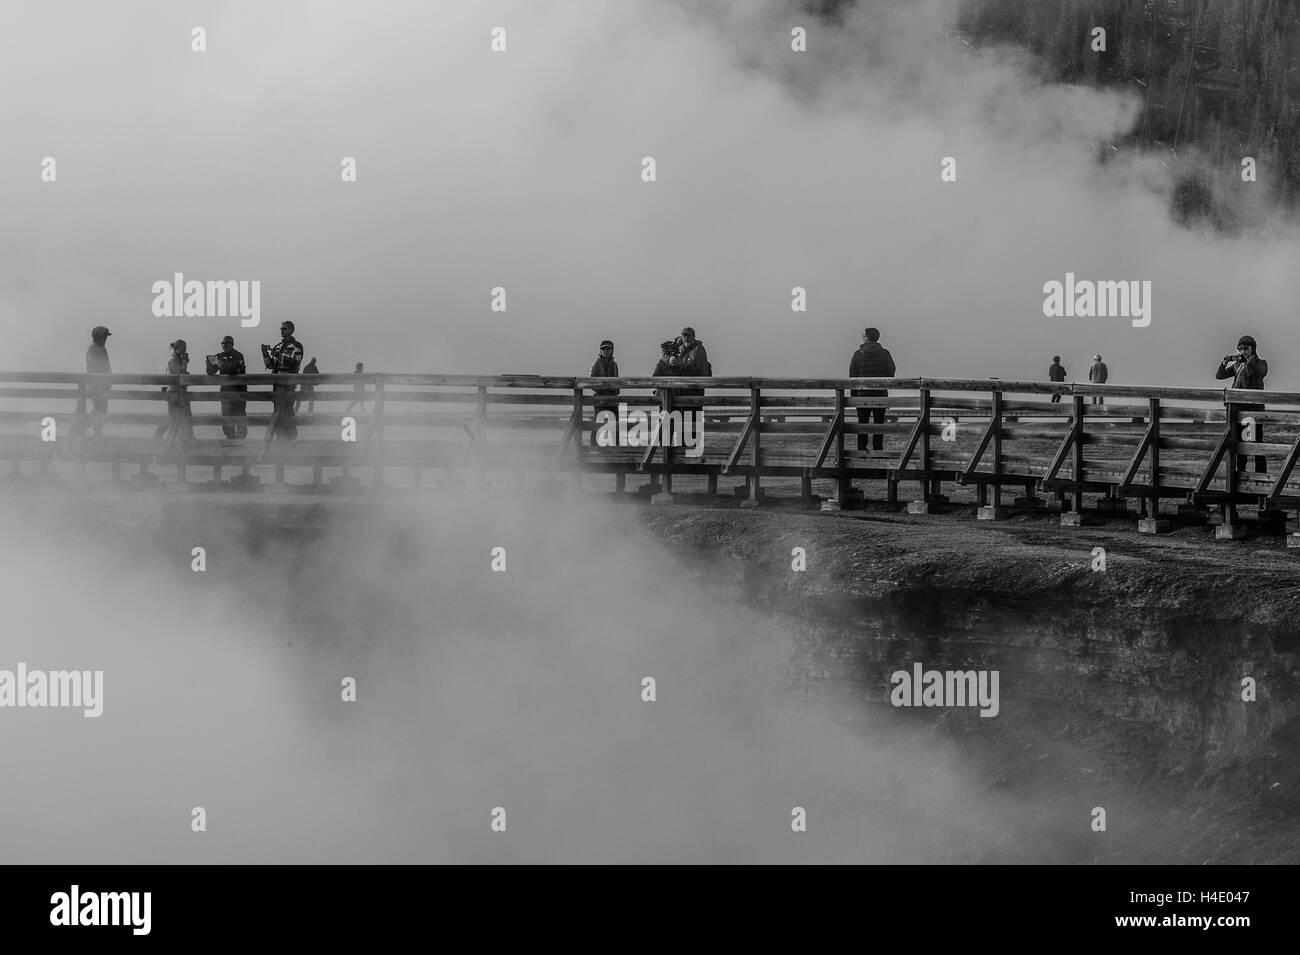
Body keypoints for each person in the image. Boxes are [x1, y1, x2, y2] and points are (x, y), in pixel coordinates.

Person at [1216, 334, 1268, 473]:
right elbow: (1219, 376)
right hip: (1240, 409)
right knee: (1241, 441)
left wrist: (1248, 361)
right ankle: (1241, 472)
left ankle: (1261, 473)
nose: (1242, 351)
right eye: (1240, 348)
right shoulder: (1237, 366)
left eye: (1245, 348)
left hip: (1255, 410)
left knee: (1257, 441)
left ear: (1253, 349)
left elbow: (1262, 371)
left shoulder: (1260, 363)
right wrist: (1224, 362)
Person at [849, 327, 896, 451]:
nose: (862, 337)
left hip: (862, 395)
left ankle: (861, 449)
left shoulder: (857, 354)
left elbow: (852, 376)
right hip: (880, 395)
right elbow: (891, 372)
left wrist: (853, 397)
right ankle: (877, 449)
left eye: (863, 336)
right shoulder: (885, 353)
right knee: (879, 424)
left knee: (862, 424)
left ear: (867, 338)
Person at [262, 320, 304, 441]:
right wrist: (265, 354)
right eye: (281, 328)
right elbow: (270, 365)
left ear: (291, 330)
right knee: (277, 411)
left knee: (288, 410)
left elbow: (295, 364)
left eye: (284, 328)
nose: (282, 330)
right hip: (277, 384)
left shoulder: (297, 346)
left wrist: (278, 355)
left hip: (290, 383)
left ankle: (291, 439)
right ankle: (280, 439)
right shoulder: (277, 346)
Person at [205, 335, 247, 439]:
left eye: (226, 344)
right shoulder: (219, 356)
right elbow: (210, 371)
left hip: (239, 391)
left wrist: (220, 364)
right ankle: (230, 439)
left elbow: (233, 370)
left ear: (232, 344)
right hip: (225, 391)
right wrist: (210, 363)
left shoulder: (238, 355)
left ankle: (241, 441)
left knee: (240, 415)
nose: (224, 346)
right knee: (226, 416)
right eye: (222, 344)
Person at [154, 339, 190, 440]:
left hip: (177, 392)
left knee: (178, 417)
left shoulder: (176, 359)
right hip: (173, 392)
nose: (185, 351)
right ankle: (159, 435)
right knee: (172, 417)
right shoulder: (173, 360)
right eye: (183, 348)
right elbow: (180, 372)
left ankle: (174, 438)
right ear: (177, 348)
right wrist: (185, 362)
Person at [589, 339, 620, 445]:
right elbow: (591, 380)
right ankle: (594, 445)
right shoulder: (596, 364)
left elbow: (617, 379)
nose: (605, 351)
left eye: (608, 349)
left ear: (612, 350)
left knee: (615, 422)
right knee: (598, 422)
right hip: (600, 399)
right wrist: (601, 390)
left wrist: (615, 392)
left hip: (612, 398)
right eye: (603, 349)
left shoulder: (614, 364)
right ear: (600, 350)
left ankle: (615, 445)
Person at [85, 326, 112, 436]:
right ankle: (82, 427)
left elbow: (107, 367)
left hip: (104, 386)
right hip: (95, 386)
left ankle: (97, 435)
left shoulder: (103, 350)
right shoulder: (92, 349)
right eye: (104, 337)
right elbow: (97, 367)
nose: (106, 340)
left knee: (102, 412)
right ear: (99, 337)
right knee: (97, 411)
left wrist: (109, 380)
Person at [676, 326, 710, 400]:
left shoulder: (699, 349)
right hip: (681, 390)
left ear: (693, 337)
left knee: (695, 411)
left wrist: (682, 365)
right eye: (684, 335)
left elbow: (701, 370)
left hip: (695, 389)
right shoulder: (679, 350)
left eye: (688, 335)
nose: (686, 337)